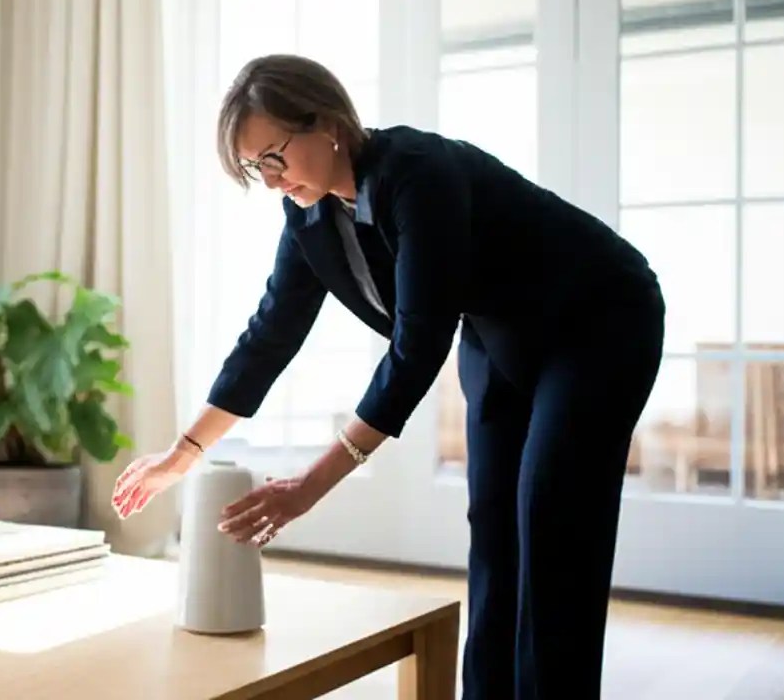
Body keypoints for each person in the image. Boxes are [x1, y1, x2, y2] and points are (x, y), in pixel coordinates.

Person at [110, 53, 665, 699]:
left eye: (274, 156)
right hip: (498, 335)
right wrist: (182, 456)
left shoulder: (418, 175)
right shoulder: (310, 214)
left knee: (554, 524)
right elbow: (270, 335)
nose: (269, 179)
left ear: (328, 122)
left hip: (598, 322)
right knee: (494, 528)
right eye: (254, 167)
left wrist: (311, 486)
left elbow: (417, 347)